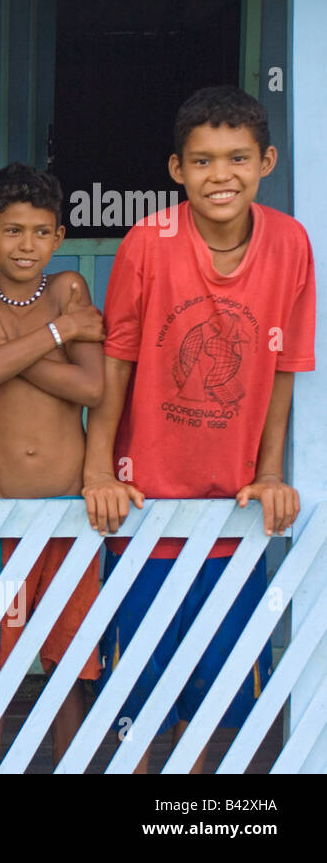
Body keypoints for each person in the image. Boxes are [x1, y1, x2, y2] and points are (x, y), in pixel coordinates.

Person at [83, 85, 314, 772]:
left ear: (266, 160)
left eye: (238, 157)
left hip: (233, 518)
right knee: (138, 699)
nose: (222, 176)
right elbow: (116, 367)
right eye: (204, 161)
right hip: (144, 506)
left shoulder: (292, 244)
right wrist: (100, 470)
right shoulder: (146, 244)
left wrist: (270, 472)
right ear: (177, 170)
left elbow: (283, 373)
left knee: (221, 702)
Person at [0, 162, 105, 772]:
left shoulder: (69, 286)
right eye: (12, 231)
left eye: (41, 232)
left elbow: (92, 387)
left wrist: (7, 348)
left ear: (59, 237)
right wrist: (59, 333)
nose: (27, 245)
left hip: (71, 508)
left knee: (69, 664)